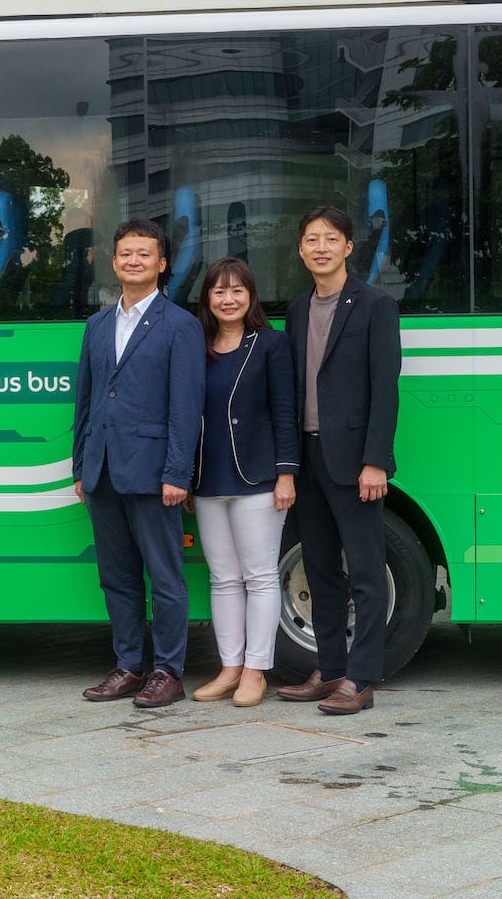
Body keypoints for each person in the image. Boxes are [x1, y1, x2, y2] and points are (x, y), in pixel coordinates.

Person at [72, 218, 204, 709]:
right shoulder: (97, 324)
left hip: (153, 474)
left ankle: (168, 672)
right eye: (126, 253)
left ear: (162, 264)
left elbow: (185, 408)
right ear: (114, 261)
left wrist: (177, 473)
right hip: (102, 471)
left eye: (144, 254)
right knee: (117, 576)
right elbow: (85, 401)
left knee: (165, 576)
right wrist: (80, 467)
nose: (134, 260)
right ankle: (128, 665)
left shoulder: (181, 326)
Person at [276, 205, 402, 716]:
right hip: (308, 457)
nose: (321, 247)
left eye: (331, 239)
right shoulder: (297, 310)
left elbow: (384, 389)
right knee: (320, 567)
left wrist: (376, 461)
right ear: (302, 250)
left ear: (349, 247)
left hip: (354, 461)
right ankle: (329, 671)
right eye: (311, 239)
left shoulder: (375, 305)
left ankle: (362, 677)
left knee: (368, 572)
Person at [190, 256, 299, 708]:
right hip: (207, 480)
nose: (228, 299)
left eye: (237, 290)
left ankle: (256, 671)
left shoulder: (271, 345)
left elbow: (285, 411)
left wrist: (287, 473)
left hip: (258, 477)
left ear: (250, 295)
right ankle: (229, 667)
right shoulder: (197, 345)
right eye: (219, 291)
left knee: (259, 577)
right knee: (222, 579)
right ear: (208, 299)